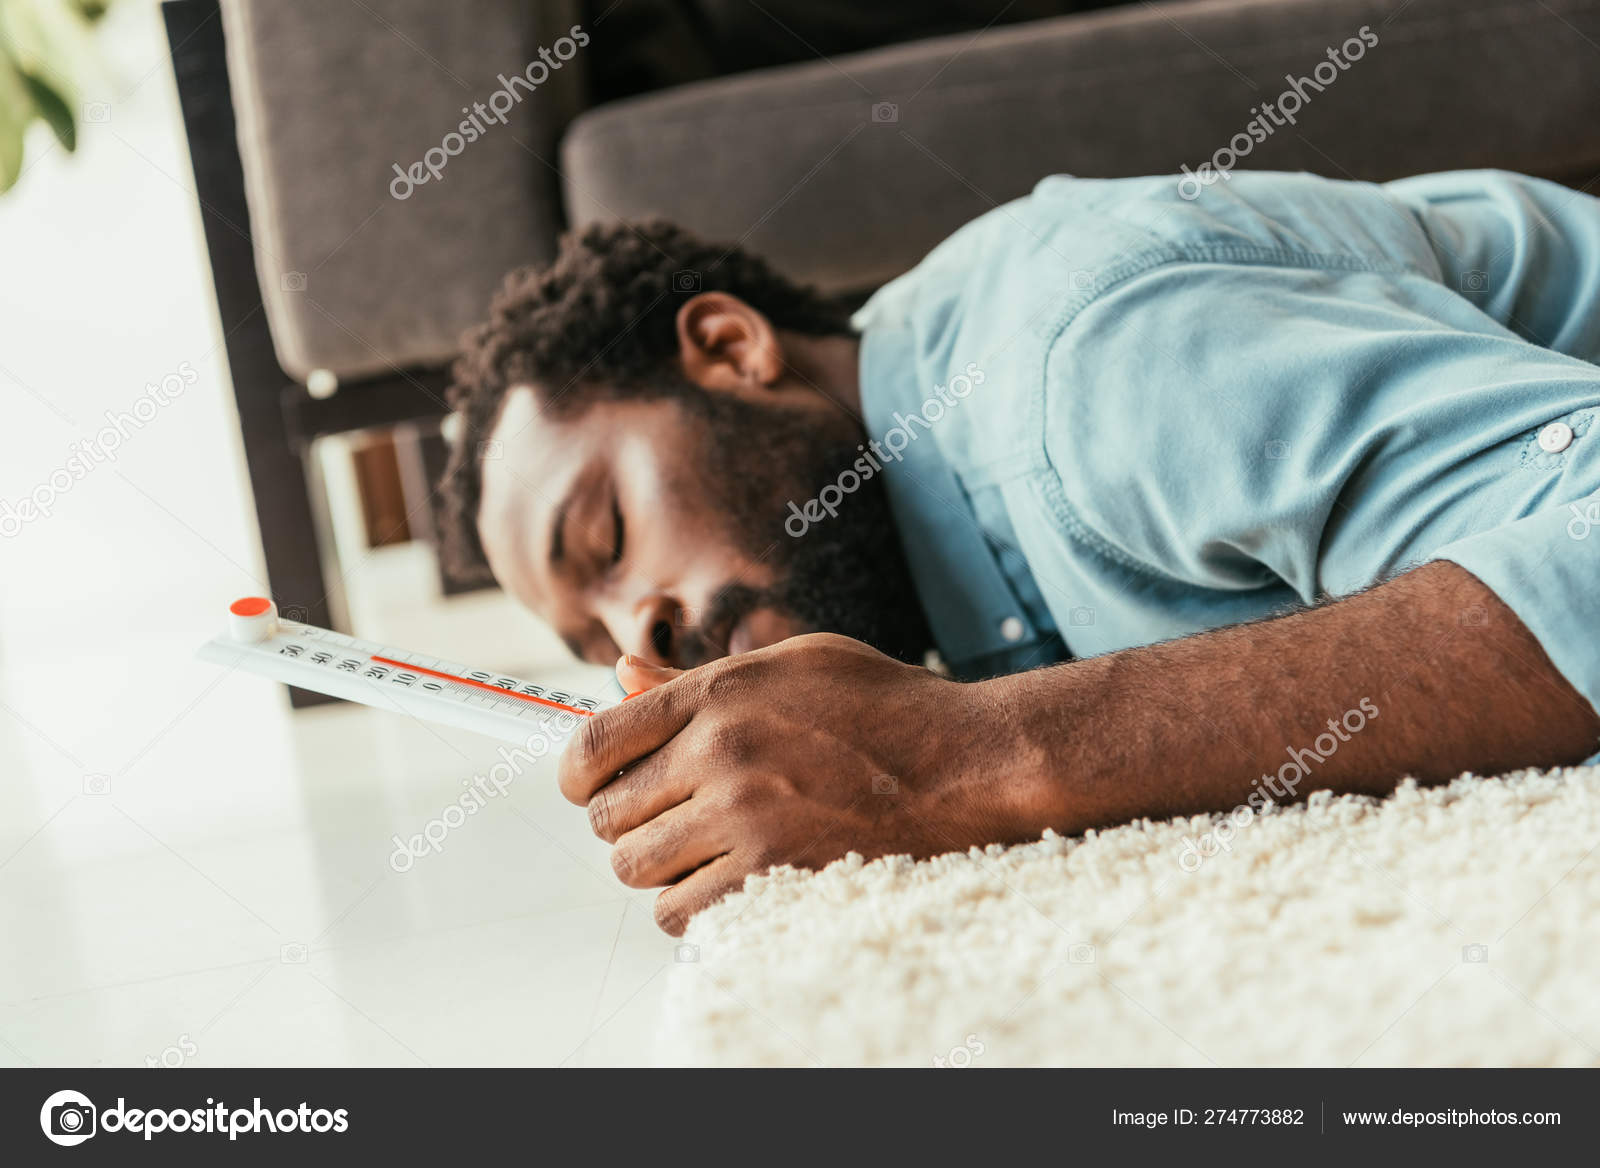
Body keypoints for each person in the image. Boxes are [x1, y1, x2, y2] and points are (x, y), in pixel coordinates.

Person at [441, 169, 1600, 934]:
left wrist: (967, 759)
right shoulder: (923, 496)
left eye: (606, 534)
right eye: (590, 638)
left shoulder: (1092, 368)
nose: (636, 633)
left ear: (730, 348)